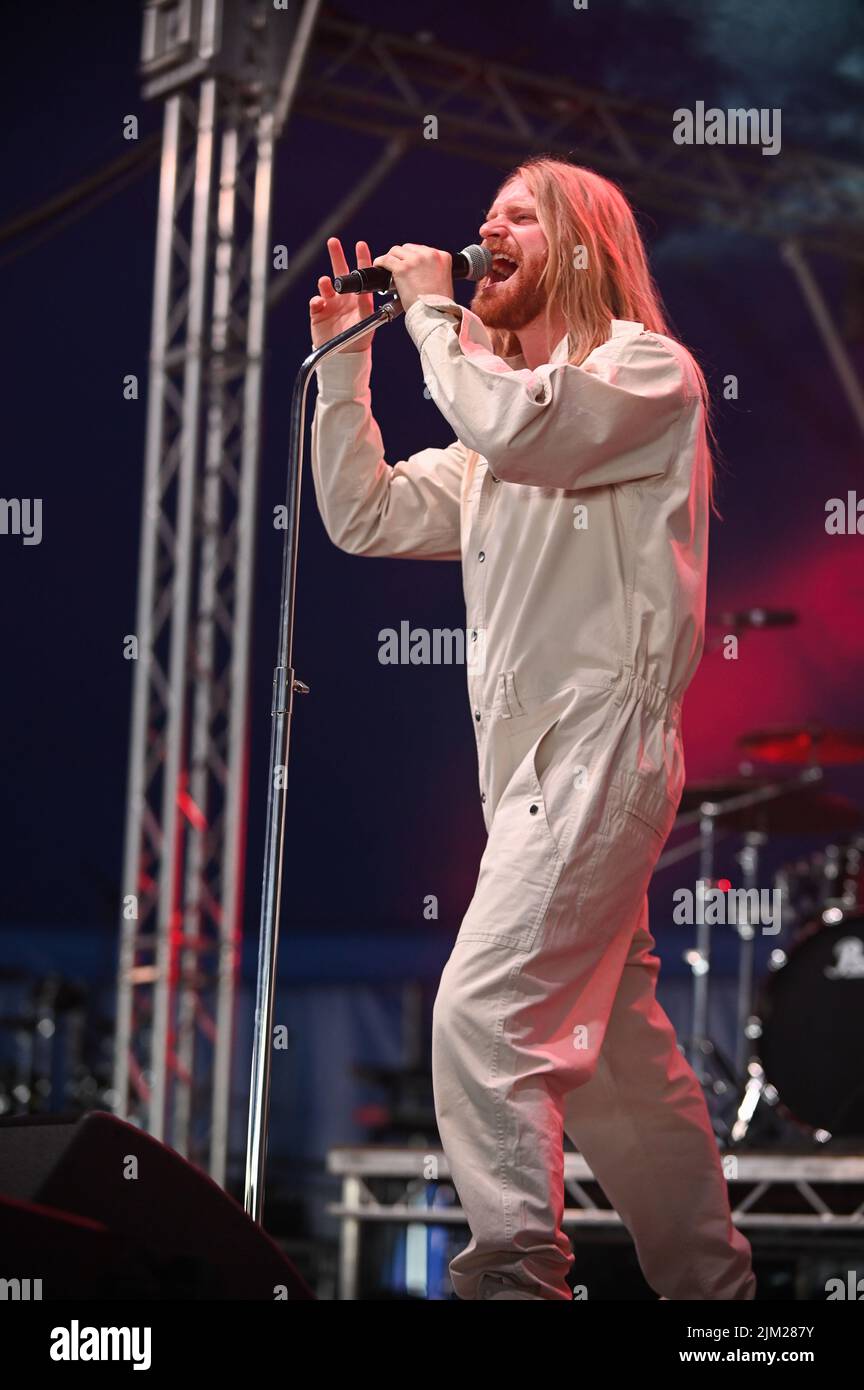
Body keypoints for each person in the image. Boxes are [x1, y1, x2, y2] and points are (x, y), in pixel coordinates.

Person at [307, 156, 756, 1302]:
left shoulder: (643, 373)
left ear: (584, 247)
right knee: (615, 1069)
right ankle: (721, 1308)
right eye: (481, 220)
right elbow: (365, 515)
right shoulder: (502, 430)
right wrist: (351, 359)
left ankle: (513, 1284)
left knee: (485, 1012)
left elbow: (525, 434)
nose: (484, 234)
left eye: (516, 220)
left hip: (601, 742)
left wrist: (431, 311)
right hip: (527, 776)